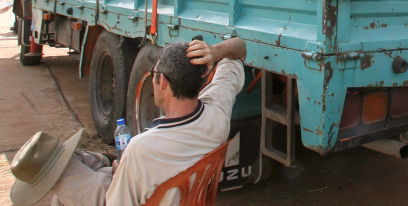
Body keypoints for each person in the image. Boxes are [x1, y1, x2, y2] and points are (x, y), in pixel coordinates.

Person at [10, 37, 246, 206]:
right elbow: (240, 48)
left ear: (162, 82)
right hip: (183, 193)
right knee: (79, 165)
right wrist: (215, 52)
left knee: (60, 176)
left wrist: (120, 172)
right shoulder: (217, 111)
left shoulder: (141, 148)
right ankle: (98, 161)